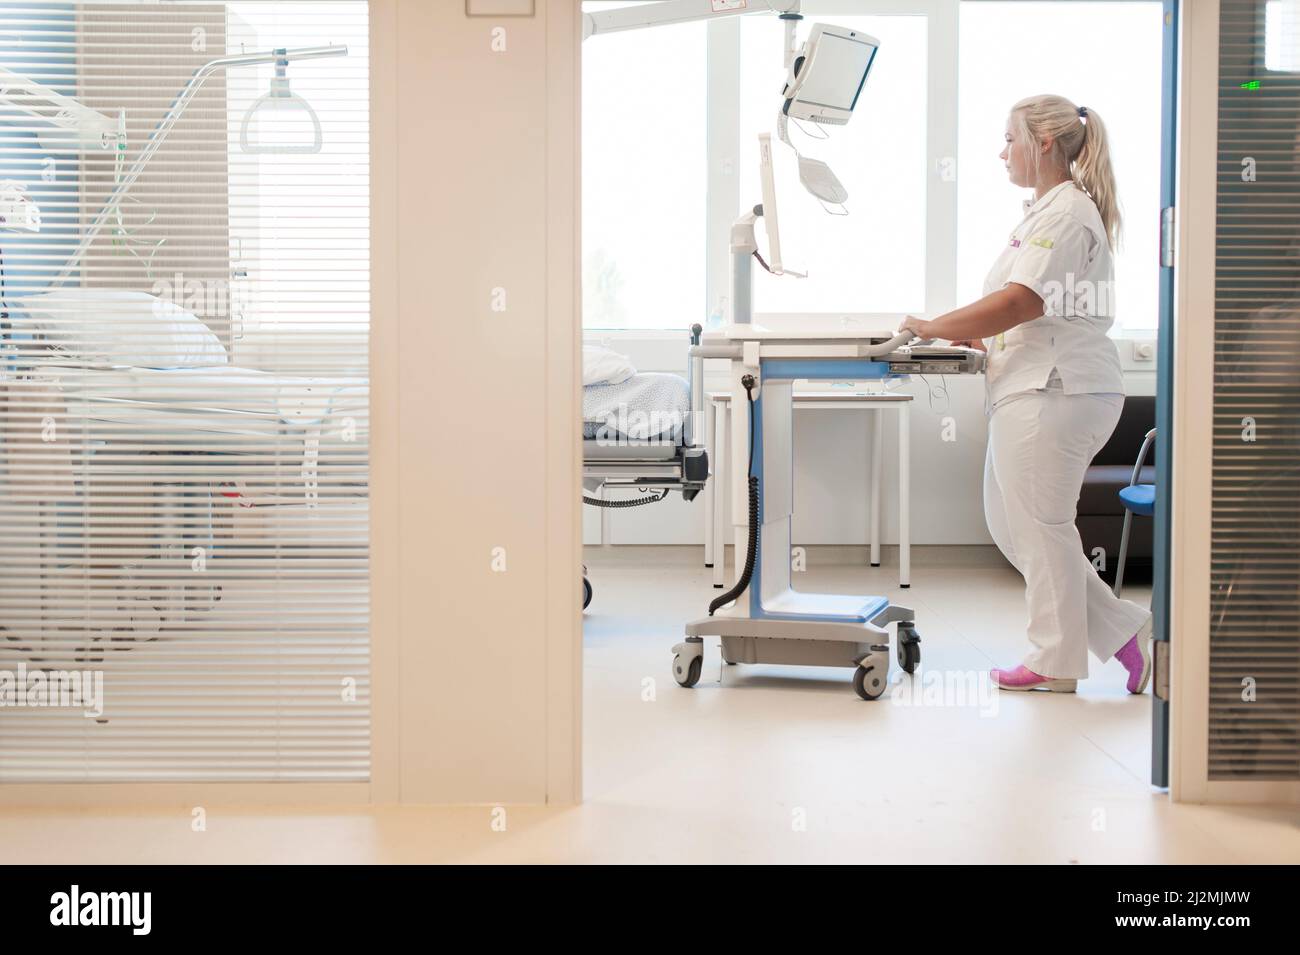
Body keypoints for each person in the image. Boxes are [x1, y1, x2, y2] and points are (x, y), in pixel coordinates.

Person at [900, 94, 1152, 693]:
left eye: (1009, 138)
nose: (1001, 151)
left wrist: (934, 326)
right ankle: (1125, 631)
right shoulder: (1043, 215)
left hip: (1057, 391)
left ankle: (1054, 661)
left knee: (1041, 527)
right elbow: (1028, 314)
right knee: (1021, 530)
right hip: (1035, 385)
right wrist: (977, 346)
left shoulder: (1066, 214)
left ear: (1043, 142)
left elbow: (1021, 302)